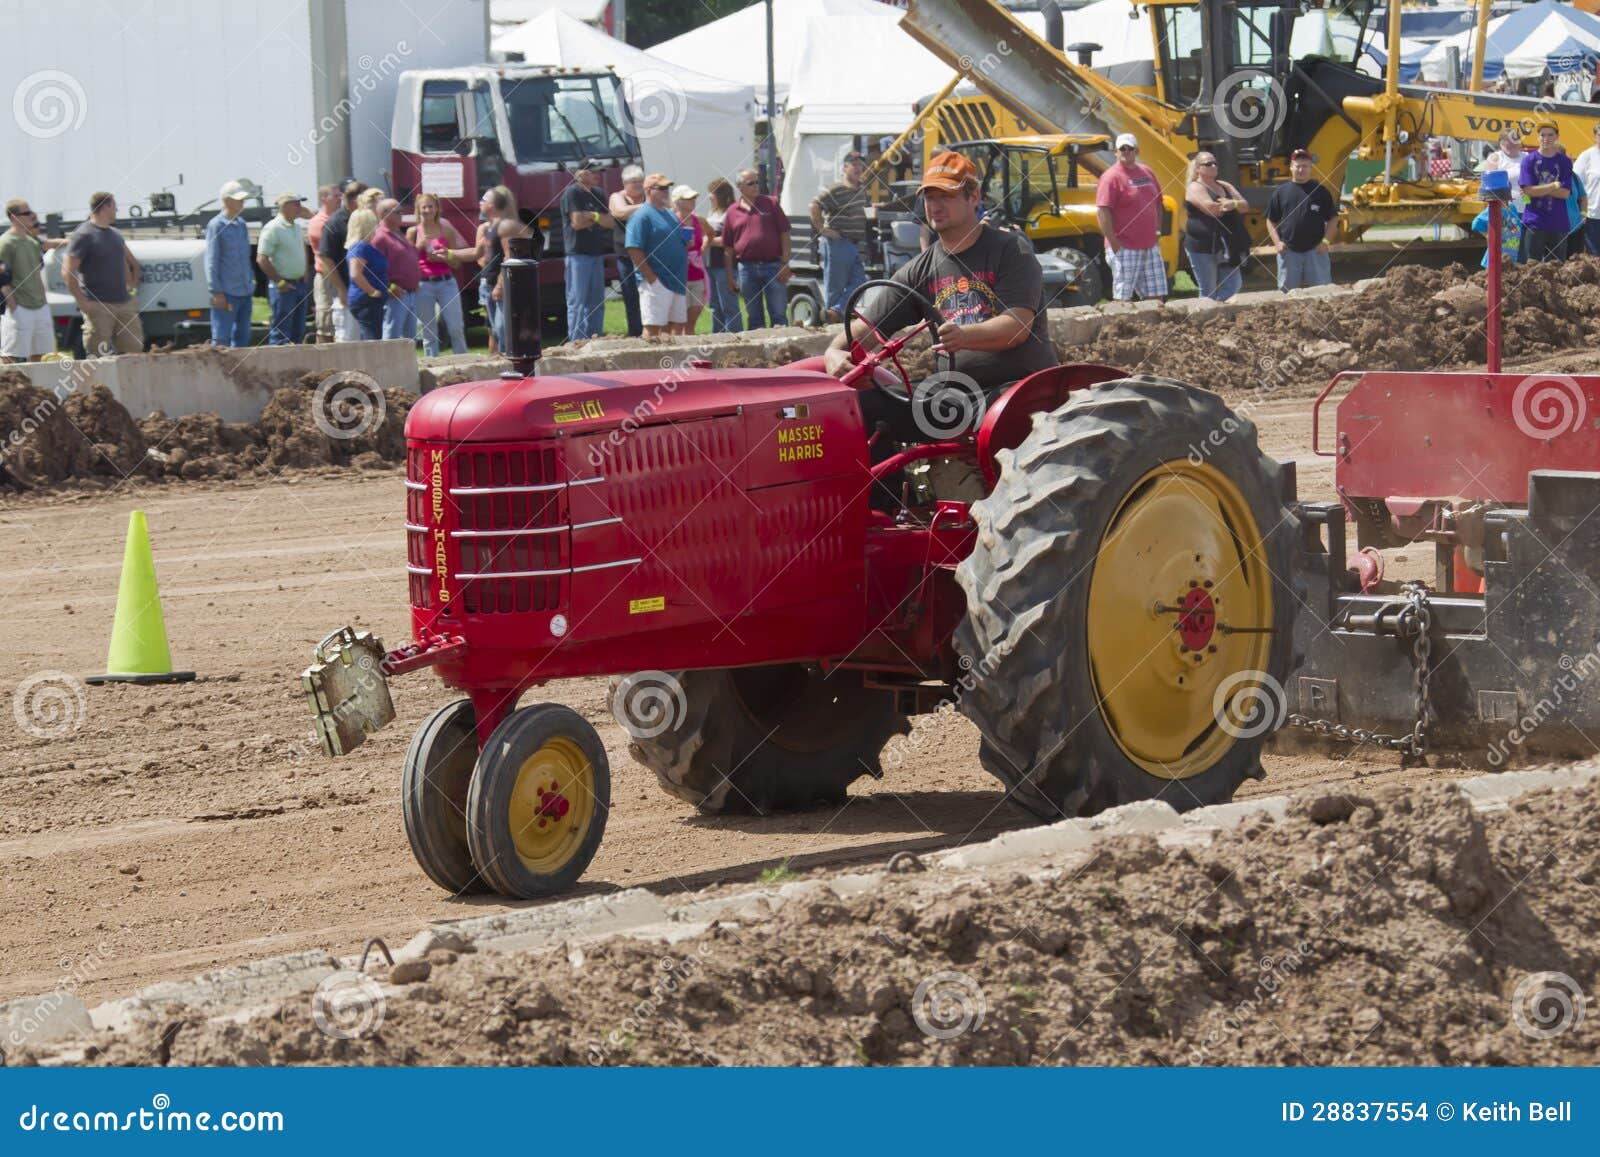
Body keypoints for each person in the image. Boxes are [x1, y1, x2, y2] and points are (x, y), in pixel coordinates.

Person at [823, 149, 1057, 486]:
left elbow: (1017, 327)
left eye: (945, 196)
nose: (935, 206)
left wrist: (965, 337)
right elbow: (867, 328)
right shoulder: (921, 268)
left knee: (943, 408)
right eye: (929, 197)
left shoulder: (1011, 250)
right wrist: (833, 352)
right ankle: (887, 516)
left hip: (1017, 391)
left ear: (973, 196)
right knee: (863, 410)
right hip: (955, 397)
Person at [64, 191, 143, 356]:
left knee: (133, 351)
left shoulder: (115, 234)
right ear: (105, 206)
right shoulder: (83, 235)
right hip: (98, 305)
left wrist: (132, 291)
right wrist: (83, 303)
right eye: (114, 206)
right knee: (98, 354)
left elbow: (129, 264)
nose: (116, 211)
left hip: (124, 303)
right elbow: (67, 271)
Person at [1095, 133, 1167, 302]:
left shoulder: (1147, 172)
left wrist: (1157, 232)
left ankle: (1155, 328)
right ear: (1115, 152)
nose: (1126, 152)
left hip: (1150, 245)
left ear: (1137, 150)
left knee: (1156, 297)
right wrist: (1114, 243)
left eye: (1130, 148)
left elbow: (1159, 203)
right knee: (1123, 298)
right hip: (1124, 246)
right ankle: (1120, 327)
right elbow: (1102, 211)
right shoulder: (1111, 177)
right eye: (1122, 149)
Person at [722, 169, 791, 329]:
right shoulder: (732, 211)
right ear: (740, 187)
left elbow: (785, 234)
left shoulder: (771, 203)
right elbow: (728, 248)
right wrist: (730, 276)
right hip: (746, 268)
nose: (756, 186)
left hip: (773, 266)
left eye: (757, 182)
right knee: (754, 316)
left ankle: (784, 350)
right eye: (750, 183)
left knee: (779, 314)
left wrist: (785, 263)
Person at [0, 198, 66, 362]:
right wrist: (13, 306)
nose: (32, 216)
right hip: (19, 307)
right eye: (27, 213)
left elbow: (36, 274)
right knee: (10, 355)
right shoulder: (5, 243)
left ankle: (35, 387)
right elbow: (2, 278)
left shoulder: (31, 242)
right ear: (14, 217)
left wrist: (44, 302)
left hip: (39, 306)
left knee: (41, 353)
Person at [624, 173, 688, 338]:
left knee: (673, 326)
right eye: (661, 188)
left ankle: (669, 362)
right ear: (648, 190)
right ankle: (649, 362)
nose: (666, 191)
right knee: (653, 328)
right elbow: (633, 248)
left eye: (667, 187)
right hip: (656, 280)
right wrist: (651, 278)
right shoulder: (641, 215)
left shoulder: (669, 214)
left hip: (676, 279)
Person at [409, 192, 472, 356]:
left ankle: (463, 360)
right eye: (424, 207)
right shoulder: (413, 232)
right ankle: (432, 366)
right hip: (423, 284)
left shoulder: (447, 230)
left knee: (456, 327)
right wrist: (419, 248)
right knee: (428, 331)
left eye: (431, 206)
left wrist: (445, 257)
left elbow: (456, 262)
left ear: (437, 209)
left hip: (446, 282)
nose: (428, 210)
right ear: (418, 209)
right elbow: (406, 262)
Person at [810, 150, 870, 322]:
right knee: (835, 286)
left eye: (860, 164)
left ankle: (836, 312)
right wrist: (822, 229)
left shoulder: (861, 189)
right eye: (854, 164)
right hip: (838, 242)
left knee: (861, 281)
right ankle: (832, 319)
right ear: (845, 167)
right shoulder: (836, 189)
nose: (858, 168)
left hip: (854, 243)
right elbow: (814, 206)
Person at [1266, 149, 1339, 290]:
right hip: (1288, 252)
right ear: (1291, 167)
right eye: (1297, 166)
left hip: (1316, 251)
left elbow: (1333, 218)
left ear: (1311, 168)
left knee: (1322, 293)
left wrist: (1325, 242)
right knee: (1286, 295)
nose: (1301, 169)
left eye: (1305, 166)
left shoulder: (1320, 191)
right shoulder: (1281, 192)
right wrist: (1277, 243)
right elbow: (1270, 220)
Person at [1183, 152, 1249, 301]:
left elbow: (1245, 206)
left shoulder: (1224, 185)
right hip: (1202, 246)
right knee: (1208, 289)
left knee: (1234, 285)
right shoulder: (1194, 187)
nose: (1213, 166)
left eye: (1215, 163)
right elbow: (1213, 210)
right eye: (1208, 164)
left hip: (1227, 245)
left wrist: (1234, 204)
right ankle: (1205, 319)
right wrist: (1227, 204)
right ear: (1198, 168)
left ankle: (1218, 311)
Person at [561, 160, 613, 340]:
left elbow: (610, 221)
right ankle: (576, 340)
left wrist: (593, 215)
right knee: (577, 300)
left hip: (596, 253)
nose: (597, 175)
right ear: (580, 173)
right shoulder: (572, 193)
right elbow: (577, 223)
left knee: (597, 301)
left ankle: (595, 338)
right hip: (577, 254)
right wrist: (598, 218)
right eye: (593, 172)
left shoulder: (599, 193)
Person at [257, 192, 313, 346]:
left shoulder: (296, 226)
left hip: (299, 284)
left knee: (298, 331)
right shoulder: (273, 228)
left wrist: (305, 274)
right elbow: (262, 258)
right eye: (296, 204)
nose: (300, 207)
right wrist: (280, 283)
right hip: (284, 287)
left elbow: (302, 250)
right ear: (284, 206)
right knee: (281, 333)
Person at [319, 180, 365, 342]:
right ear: (352, 200)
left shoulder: (363, 219)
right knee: (347, 339)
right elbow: (326, 259)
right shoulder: (335, 223)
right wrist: (341, 289)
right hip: (346, 292)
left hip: (364, 291)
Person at [1521, 122, 1575, 262]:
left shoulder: (1565, 162)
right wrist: (1554, 185)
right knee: (1532, 265)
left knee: (1557, 267)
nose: (1546, 138)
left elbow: (1565, 193)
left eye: (1550, 134)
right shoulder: (1528, 160)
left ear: (1557, 136)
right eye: (1542, 135)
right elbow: (1528, 190)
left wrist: (1539, 189)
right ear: (1538, 137)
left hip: (1558, 222)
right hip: (1534, 221)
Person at [476, 185, 517, 353]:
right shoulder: (488, 228)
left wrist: (500, 285)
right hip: (486, 283)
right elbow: (475, 252)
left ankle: (510, 364)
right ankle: (500, 363)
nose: (479, 202)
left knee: (502, 328)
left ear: (492, 206)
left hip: (497, 286)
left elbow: (509, 257)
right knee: (495, 329)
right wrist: (449, 254)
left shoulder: (504, 227)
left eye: (483, 200)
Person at [374, 199, 420, 343]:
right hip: (395, 295)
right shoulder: (380, 237)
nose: (402, 214)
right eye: (397, 212)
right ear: (383, 214)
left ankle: (407, 365)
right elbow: (374, 268)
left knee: (409, 339)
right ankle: (387, 365)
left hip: (410, 293)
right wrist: (388, 286)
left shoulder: (398, 233)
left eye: (402, 211)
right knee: (392, 337)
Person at [609, 166, 647, 337]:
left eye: (641, 181)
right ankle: (635, 331)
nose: (639, 185)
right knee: (630, 292)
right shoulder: (616, 197)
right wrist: (646, 206)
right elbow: (620, 212)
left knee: (647, 291)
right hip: (625, 254)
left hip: (646, 253)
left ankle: (650, 328)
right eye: (634, 182)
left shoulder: (647, 197)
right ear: (625, 183)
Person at [703, 178, 741, 333]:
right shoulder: (712, 212)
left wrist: (707, 241)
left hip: (724, 265)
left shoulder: (730, 213)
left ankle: (735, 334)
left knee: (729, 305)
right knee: (714, 305)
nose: (709, 197)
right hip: (710, 264)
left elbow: (729, 240)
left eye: (711, 193)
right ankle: (717, 335)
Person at [345, 208, 388, 340]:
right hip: (366, 301)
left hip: (369, 301)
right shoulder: (360, 247)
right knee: (372, 340)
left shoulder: (365, 246)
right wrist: (372, 291)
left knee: (371, 337)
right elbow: (355, 274)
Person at [673, 185, 710, 334]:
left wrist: (701, 249)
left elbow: (710, 233)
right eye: (689, 198)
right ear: (678, 201)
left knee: (692, 321)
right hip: (679, 275)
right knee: (678, 322)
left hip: (697, 275)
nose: (693, 201)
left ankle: (690, 351)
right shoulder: (671, 220)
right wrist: (682, 248)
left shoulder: (698, 220)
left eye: (694, 198)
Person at [306, 184, 340, 343]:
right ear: (323, 199)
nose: (340, 199)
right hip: (326, 275)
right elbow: (331, 250)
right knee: (326, 321)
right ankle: (324, 360)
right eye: (336, 196)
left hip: (339, 274)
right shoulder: (318, 222)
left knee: (339, 321)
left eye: (340, 195)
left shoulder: (337, 219)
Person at [1572, 121, 1600, 256]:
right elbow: (1575, 184)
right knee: (1594, 257)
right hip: (1593, 216)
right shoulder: (1586, 156)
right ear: (1595, 136)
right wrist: (1580, 212)